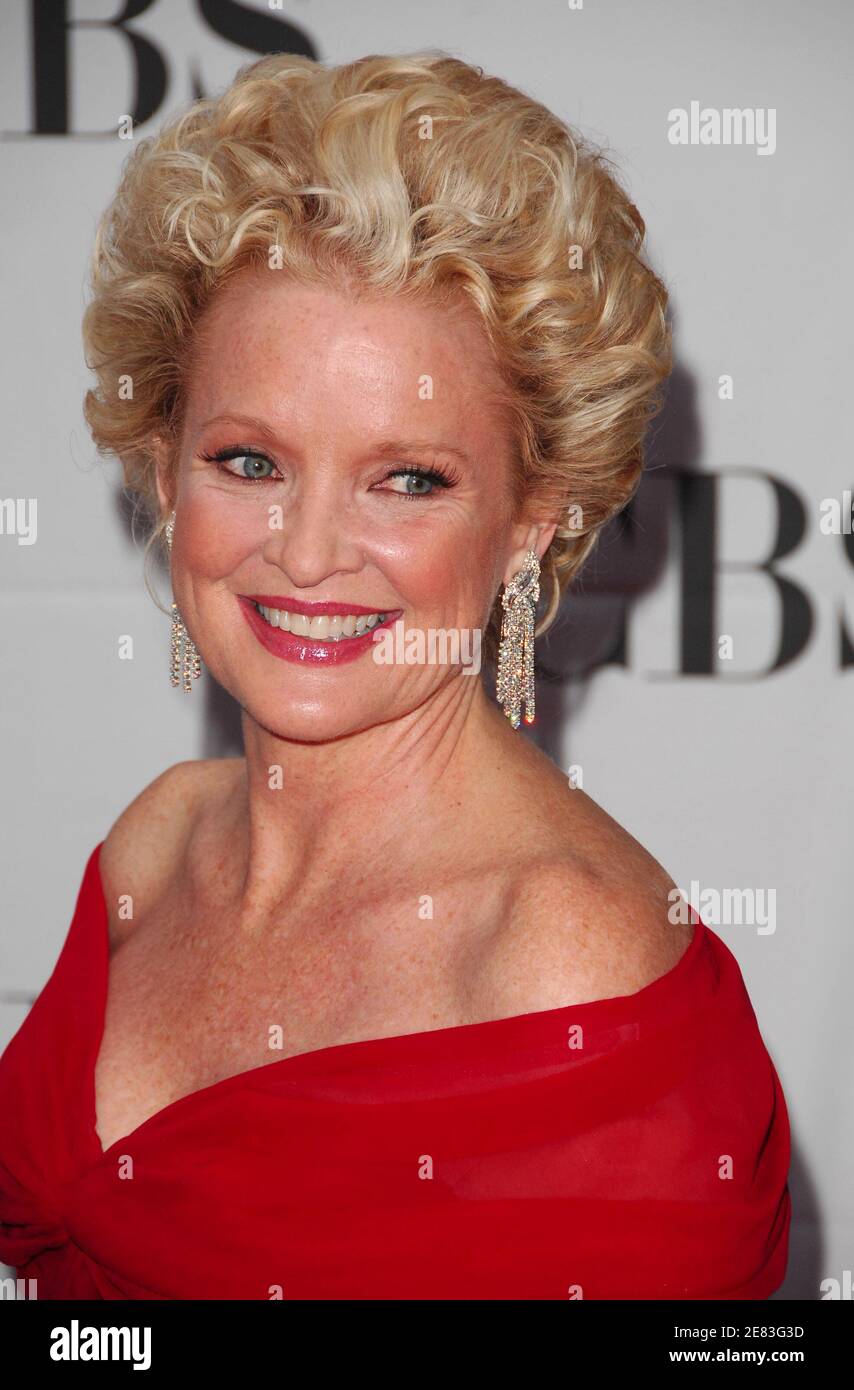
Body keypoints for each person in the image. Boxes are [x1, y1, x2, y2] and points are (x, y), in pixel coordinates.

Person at [0, 50, 790, 1299]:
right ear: (163, 471)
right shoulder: (156, 846)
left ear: (533, 516)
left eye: (406, 479)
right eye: (248, 461)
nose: (305, 553)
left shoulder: (564, 967)